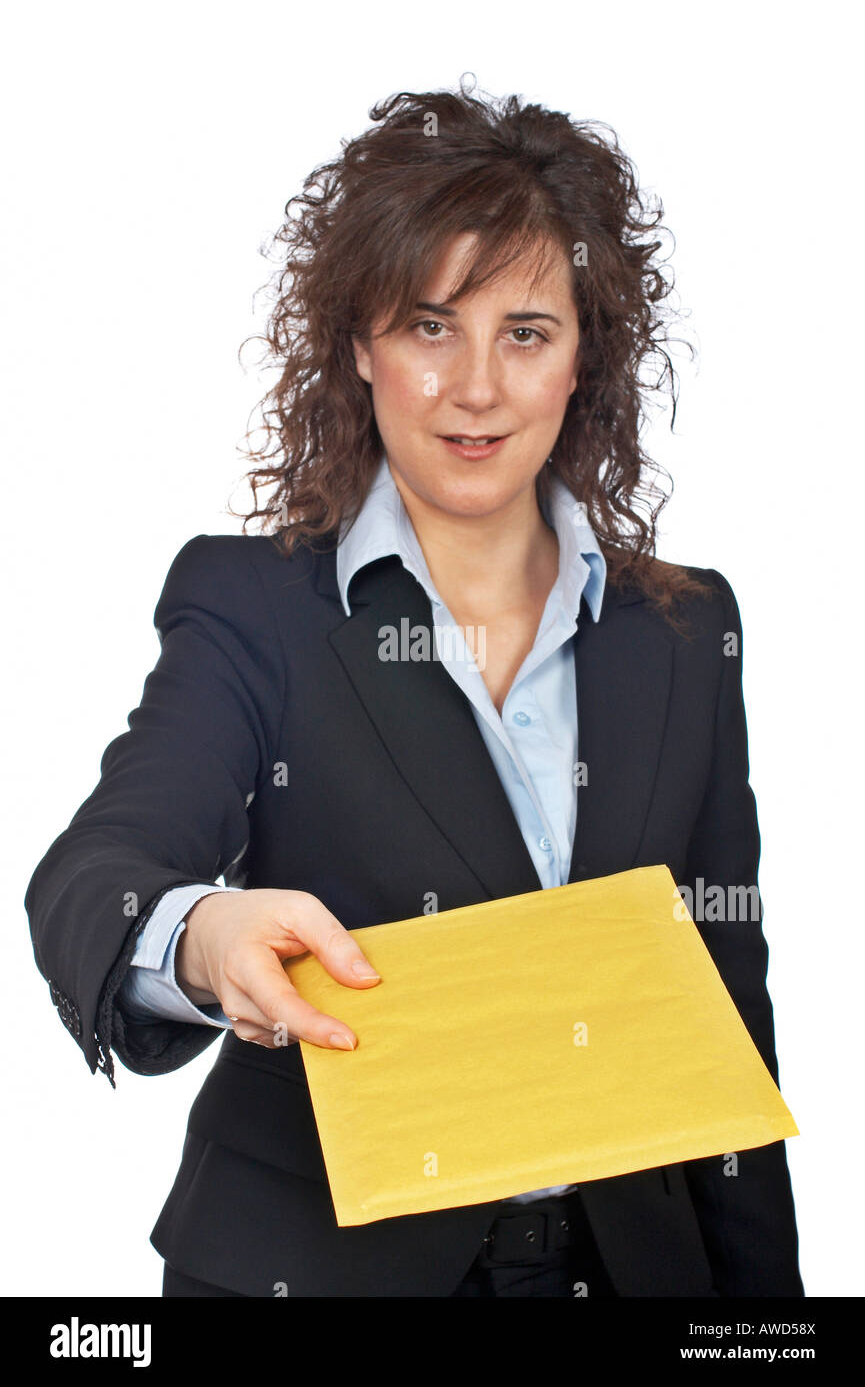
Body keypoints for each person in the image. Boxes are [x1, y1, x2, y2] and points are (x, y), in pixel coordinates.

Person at [25, 82, 803, 1298]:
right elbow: (95, 871)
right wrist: (201, 934)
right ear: (359, 343)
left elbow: (724, 1009)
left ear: (580, 354)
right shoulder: (256, 608)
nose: (476, 387)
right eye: (431, 326)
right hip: (316, 1270)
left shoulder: (685, 630)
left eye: (526, 332)